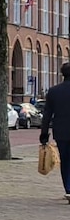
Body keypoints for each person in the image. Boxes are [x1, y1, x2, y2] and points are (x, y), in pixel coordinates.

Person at [39, 61, 70, 201]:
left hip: (61, 131)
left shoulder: (54, 91)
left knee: (65, 160)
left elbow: (47, 115)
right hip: (62, 131)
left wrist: (44, 134)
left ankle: (68, 188)